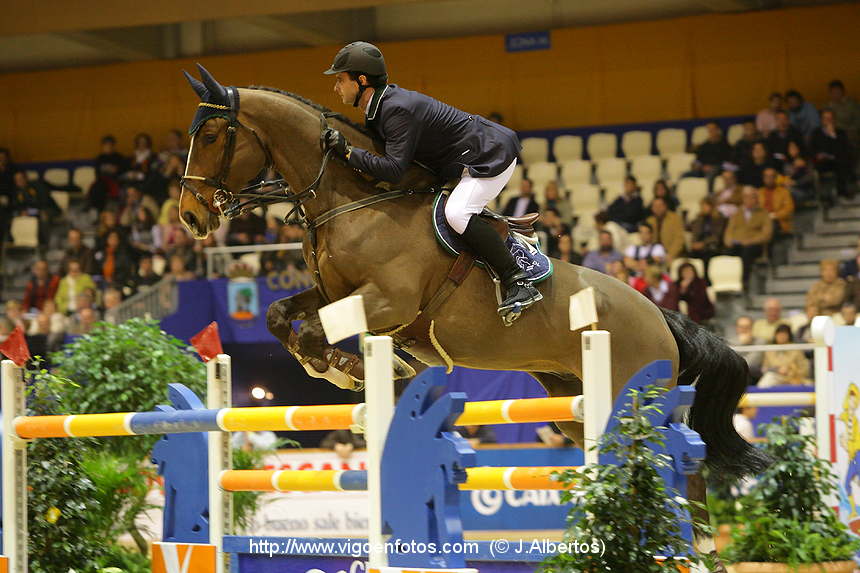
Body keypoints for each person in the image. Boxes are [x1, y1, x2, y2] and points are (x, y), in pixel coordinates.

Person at [322, 41, 540, 320]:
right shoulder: (377, 109)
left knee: (457, 213)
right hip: (462, 159)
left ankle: (518, 280)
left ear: (362, 80)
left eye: (340, 79)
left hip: (489, 155)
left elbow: (392, 169)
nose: (336, 87)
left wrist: (348, 152)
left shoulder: (394, 109)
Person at [723, 187, 773, 282]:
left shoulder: (763, 213)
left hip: (754, 244)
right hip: (737, 243)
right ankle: (728, 280)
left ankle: (744, 282)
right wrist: (728, 241)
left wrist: (751, 241)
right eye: (746, 197)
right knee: (727, 253)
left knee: (746, 253)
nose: (749, 200)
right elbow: (729, 231)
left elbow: (767, 234)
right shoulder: (736, 213)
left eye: (752, 197)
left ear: (756, 199)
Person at [810, 108, 856, 200]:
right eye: (825, 118)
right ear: (821, 120)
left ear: (834, 120)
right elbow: (812, 150)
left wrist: (833, 136)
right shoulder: (816, 133)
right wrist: (818, 155)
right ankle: (825, 196)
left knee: (844, 162)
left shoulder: (840, 132)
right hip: (822, 162)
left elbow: (843, 150)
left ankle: (842, 191)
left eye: (830, 118)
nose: (828, 121)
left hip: (837, 160)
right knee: (818, 166)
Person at [688, 196, 726, 272]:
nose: (703, 208)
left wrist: (703, 244)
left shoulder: (719, 219)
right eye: (702, 206)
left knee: (707, 256)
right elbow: (694, 233)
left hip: (713, 247)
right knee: (690, 256)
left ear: (711, 206)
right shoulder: (699, 219)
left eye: (705, 206)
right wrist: (694, 243)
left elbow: (716, 236)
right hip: (699, 247)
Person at [645, 196, 685, 261]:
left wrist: (670, 254)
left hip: (671, 253)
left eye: (660, 206)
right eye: (655, 206)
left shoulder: (675, 218)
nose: (657, 208)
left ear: (665, 206)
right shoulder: (649, 221)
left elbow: (679, 239)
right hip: (654, 255)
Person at [758, 167, 794, 235]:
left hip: (777, 221)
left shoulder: (784, 192)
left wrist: (773, 215)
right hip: (761, 220)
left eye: (772, 176)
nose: (769, 179)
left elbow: (789, 210)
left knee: (768, 226)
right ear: (763, 178)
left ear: (775, 178)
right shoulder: (759, 192)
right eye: (767, 176)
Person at [728, 315, 765, 381]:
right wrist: (741, 343)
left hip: (753, 375)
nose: (744, 330)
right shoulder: (729, 342)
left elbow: (752, 362)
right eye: (741, 327)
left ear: (752, 328)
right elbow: (732, 362)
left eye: (747, 327)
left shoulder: (760, 342)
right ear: (737, 328)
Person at [827, 79, 860, 149]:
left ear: (843, 92)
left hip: (849, 132)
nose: (835, 94)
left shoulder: (852, 104)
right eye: (833, 92)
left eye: (838, 92)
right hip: (834, 132)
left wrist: (850, 130)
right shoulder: (828, 106)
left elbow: (857, 121)